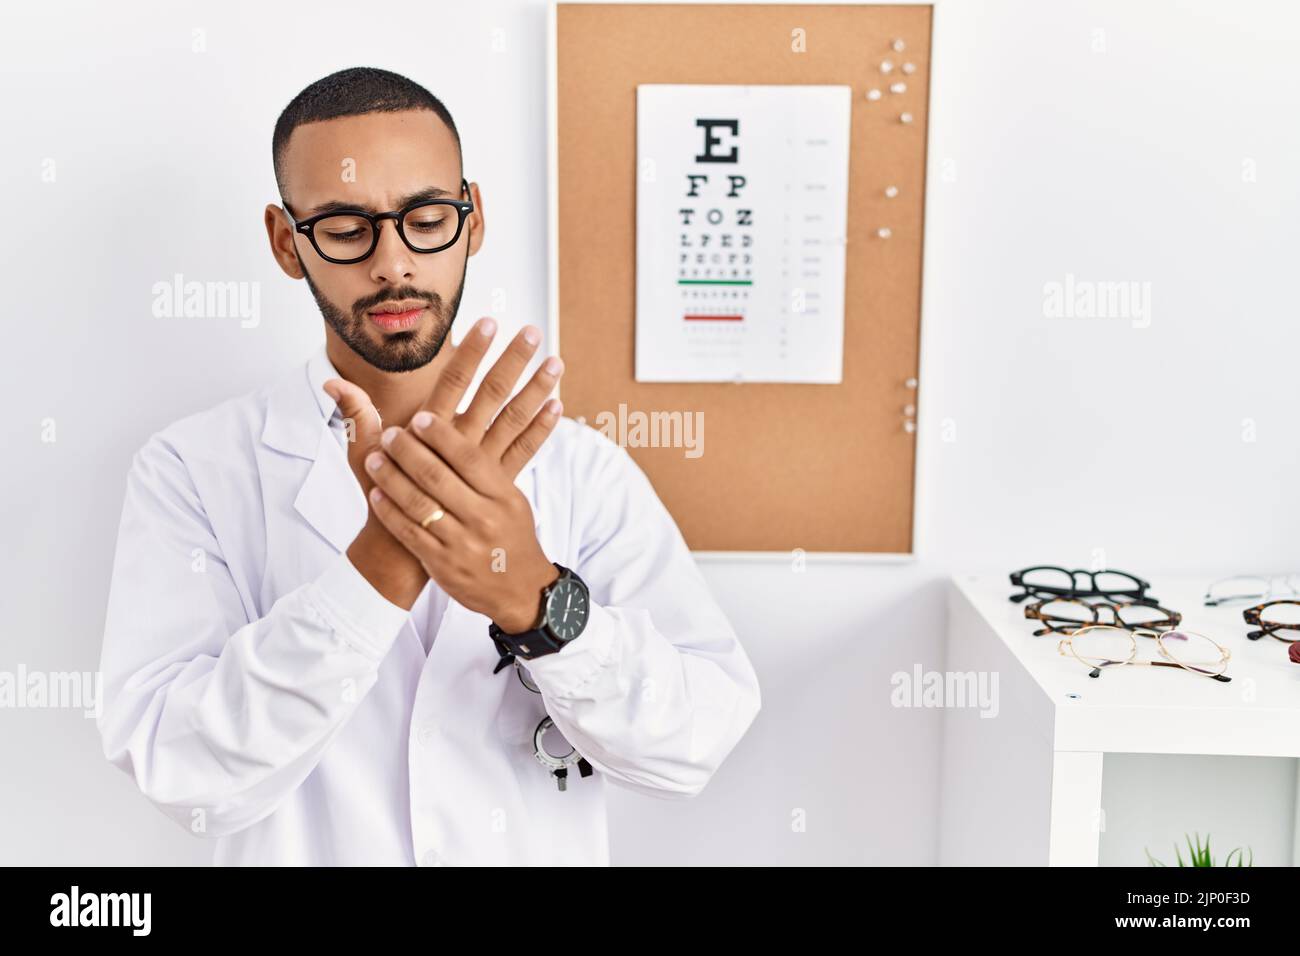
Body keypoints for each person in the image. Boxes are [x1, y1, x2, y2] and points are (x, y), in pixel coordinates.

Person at [96, 67, 761, 866]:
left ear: (472, 220)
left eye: (425, 218)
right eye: (346, 228)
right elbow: (180, 771)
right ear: (285, 241)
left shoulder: (585, 470)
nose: (393, 264)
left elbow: (695, 744)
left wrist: (535, 601)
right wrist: (378, 570)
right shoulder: (193, 473)